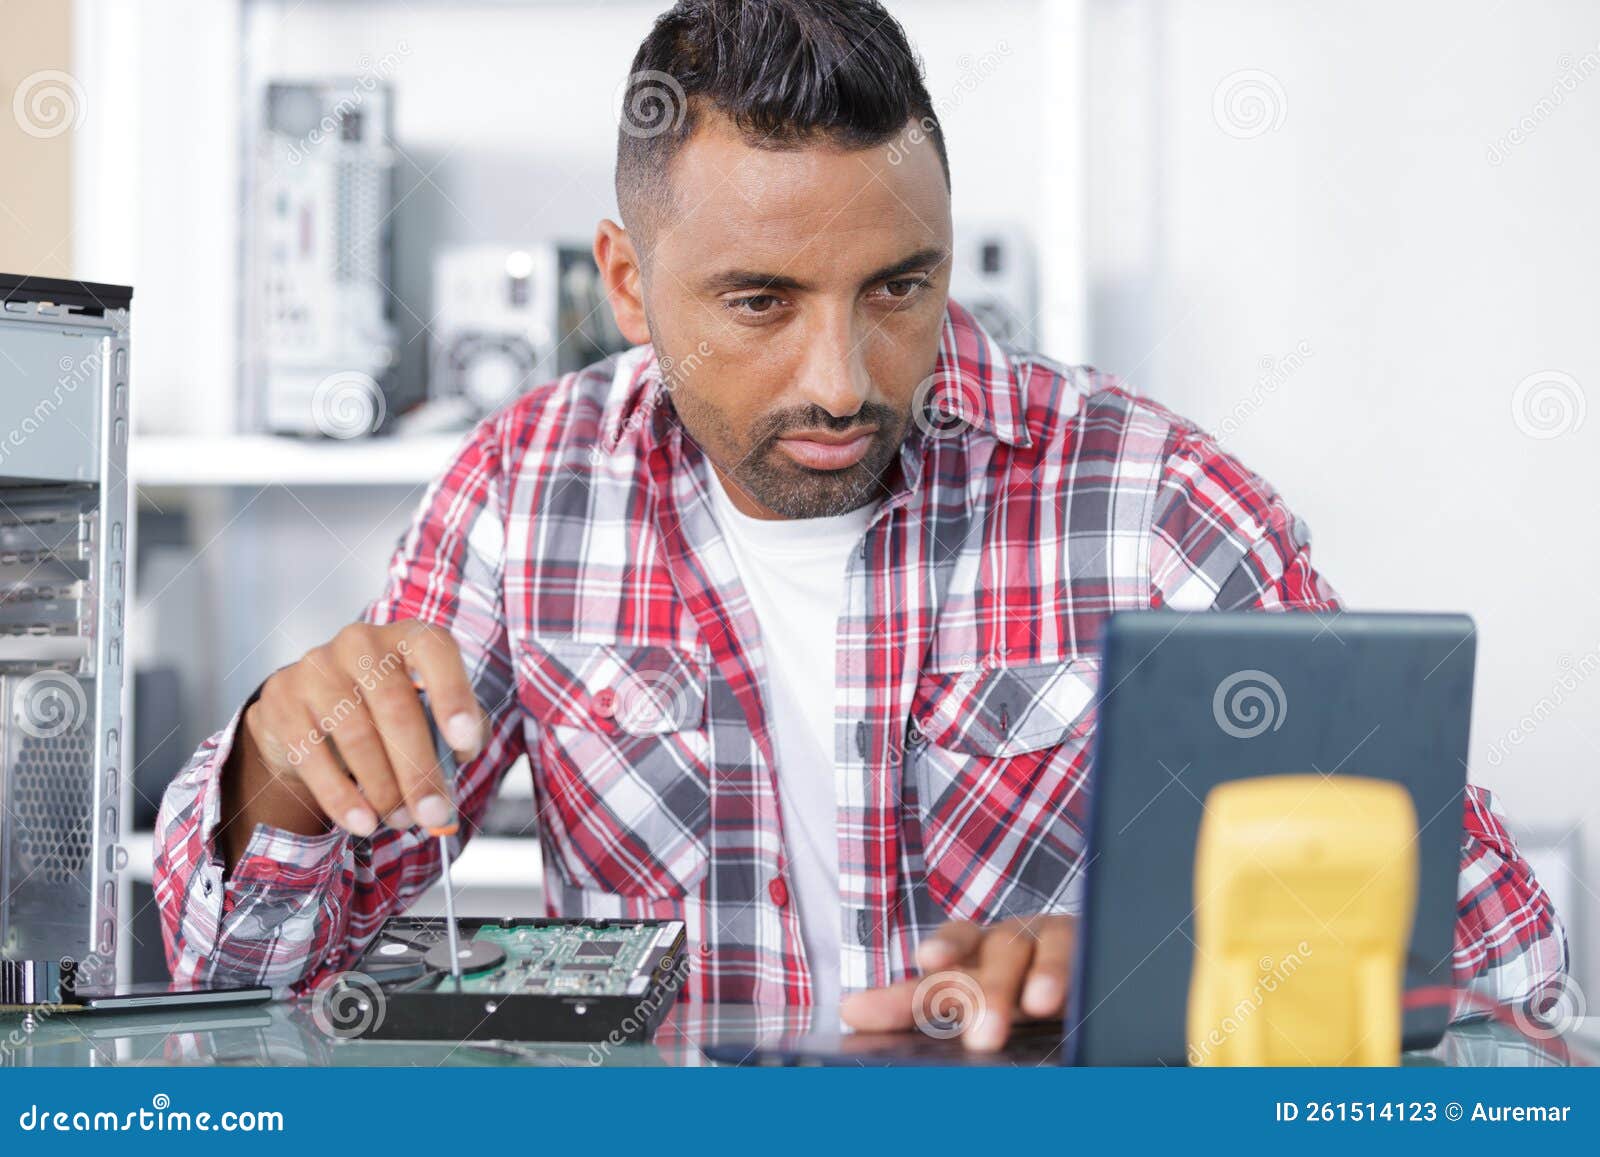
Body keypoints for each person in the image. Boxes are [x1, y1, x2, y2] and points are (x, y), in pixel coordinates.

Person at [154, 0, 1566, 1052]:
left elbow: (1508, 970)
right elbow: (258, 993)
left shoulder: (1152, 501)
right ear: (630, 287)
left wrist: (1168, 979)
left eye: (900, 287)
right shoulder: (529, 491)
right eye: (761, 301)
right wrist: (275, 769)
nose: (843, 379)